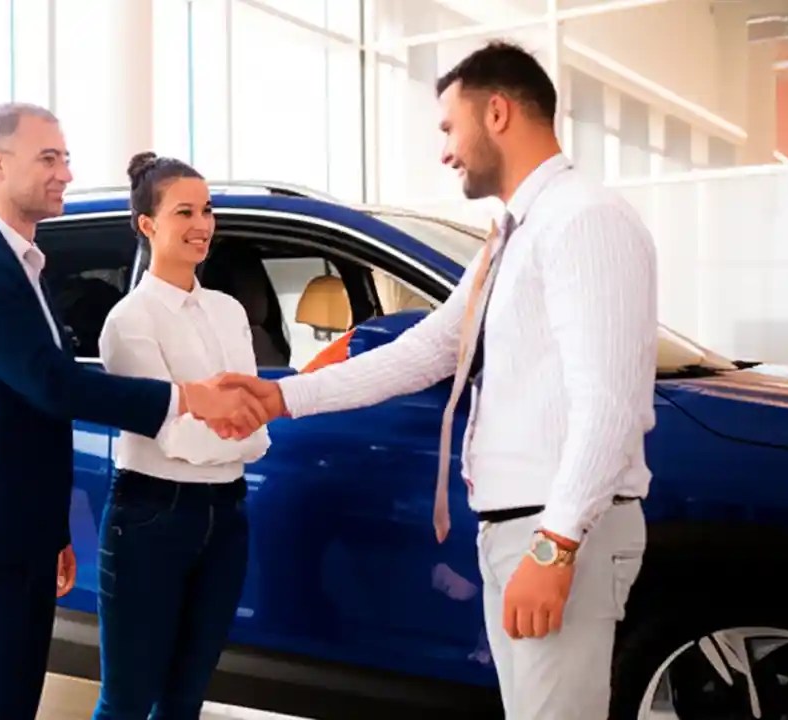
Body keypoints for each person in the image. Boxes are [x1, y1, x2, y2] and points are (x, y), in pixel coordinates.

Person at [221, 41, 657, 719]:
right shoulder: (514, 234)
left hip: (554, 529)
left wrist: (556, 545)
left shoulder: (583, 218)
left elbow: (609, 402)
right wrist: (285, 396)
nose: (446, 151)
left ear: (499, 113)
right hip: (522, 530)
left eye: (450, 128)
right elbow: (429, 348)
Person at [0, 103, 269, 720]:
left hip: (14, 531)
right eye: (49, 158)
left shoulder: (26, 264)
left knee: (15, 705)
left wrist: (51, 530)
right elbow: (52, 384)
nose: (66, 174)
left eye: (66, 158)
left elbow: (33, 411)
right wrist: (187, 397)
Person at [91, 152, 271, 720]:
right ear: (148, 224)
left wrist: (224, 422)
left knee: (186, 697)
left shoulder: (228, 310)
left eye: (208, 210)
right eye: (184, 212)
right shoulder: (130, 320)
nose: (202, 225)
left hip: (228, 512)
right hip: (153, 516)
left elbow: (254, 427)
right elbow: (176, 437)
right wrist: (228, 425)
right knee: (126, 701)